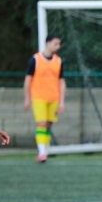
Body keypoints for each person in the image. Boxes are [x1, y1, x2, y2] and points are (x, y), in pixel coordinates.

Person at [23, 35, 65, 163]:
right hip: (38, 97)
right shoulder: (35, 59)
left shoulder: (58, 61)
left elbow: (62, 82)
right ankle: (41, 153)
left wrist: (62, 102)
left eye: (59, 44)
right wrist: (27, 98)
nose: (58, 46)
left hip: (54, 98)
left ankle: (44, 151)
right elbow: (28, 80)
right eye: (55, 43)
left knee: (48, 125)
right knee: (41, 124)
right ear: (47, 43)